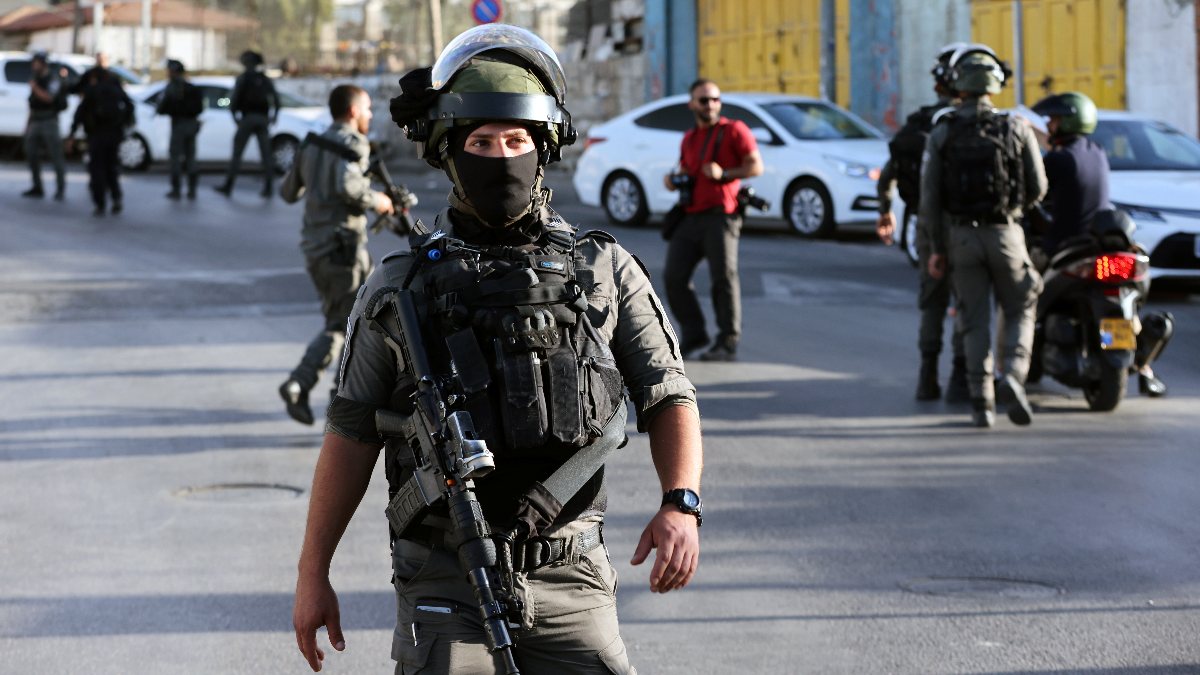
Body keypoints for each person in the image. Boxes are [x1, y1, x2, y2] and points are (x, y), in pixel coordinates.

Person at [292, 24, 702, 674]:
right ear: (450, 153)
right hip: (445, 574)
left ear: (543, 148)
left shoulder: (604, 269)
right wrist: (313, 571)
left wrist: (681, 501)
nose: (500, 156)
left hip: (572, 574)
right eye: (481, 142)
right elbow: (349, 434)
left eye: (516, 140)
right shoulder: (401, 284)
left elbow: (669, 392)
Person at [920, 44, 1047, 428]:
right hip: (1006, 233)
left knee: (973, 320)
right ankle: (1013, 375)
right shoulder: (1016, 128)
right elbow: (1039, 187)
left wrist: (937, 248)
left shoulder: (942, 131)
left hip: (960, 238)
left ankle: (982, 404)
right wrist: (1013, 212)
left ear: (957, 85)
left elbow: (930, 199)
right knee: (1022, 305)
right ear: (995, 85)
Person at [1031, 91, 1171, 397]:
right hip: (1099, 243)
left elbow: (1035, 187)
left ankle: (1010, 367)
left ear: (1066, 122)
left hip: (1064, 245)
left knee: (1021, 296)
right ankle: (1144, 366)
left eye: (1054, 120)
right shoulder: (1096, 152)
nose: (1051, 125)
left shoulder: (1057, 160)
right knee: (1127, 301)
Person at [277, 84, 394, 425]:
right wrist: (379, 200)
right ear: (353, 111)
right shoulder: (354, 143)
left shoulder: (311, 143)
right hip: (343, 249)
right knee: (347, 323)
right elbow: (349, 187)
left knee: (341, 318)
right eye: (368, 109)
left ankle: (318, 387)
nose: (371, 115)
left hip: (314, 247)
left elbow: (287, 192)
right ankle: (308, 384)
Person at [876, 44, 967, 402]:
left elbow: (889, 174)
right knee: (966, 302)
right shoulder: (968, 124)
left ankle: (927, 378)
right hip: (963, 227)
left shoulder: (916, 124)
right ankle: (962, 378)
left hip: (925, 227)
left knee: (932, 301)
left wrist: (886, 211)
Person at [662, 78, 763, 362]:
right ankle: (695, 335)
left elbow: (756, 166)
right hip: (691, 215)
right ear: (692, 104)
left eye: (716, 99)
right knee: (674, 277)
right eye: (704, 100)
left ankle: (727, 341)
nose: (711, 105)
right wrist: (672, 181)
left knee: (724, 279)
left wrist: (725, 174)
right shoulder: (689, 138)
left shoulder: (734, 131)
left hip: (722, 216)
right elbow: (685, 170)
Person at [67, 59, 134, 217]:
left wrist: (71, 134)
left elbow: (80, 112)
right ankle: (116, 197)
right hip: (114, 134)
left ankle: (100, 203)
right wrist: (123, 125)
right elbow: (130, 106)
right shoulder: (115, 88)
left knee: (97, 169)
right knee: (111, 167)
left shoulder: (93, 90)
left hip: (97, 135)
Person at [215, 50, 279, 197]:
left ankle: (228, 186)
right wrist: (274, 116)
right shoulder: (263, 79)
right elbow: (275, 98)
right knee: (266, 156)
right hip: (263, 119)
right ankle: (268, 188)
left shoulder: (243, 78)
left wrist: (235, 118)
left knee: (237, 154)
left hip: (248, 118)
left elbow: (234, 99)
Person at [22, 52, 68, 201]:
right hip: (35, 120)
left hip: (49, 120)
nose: (33, 66)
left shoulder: (52, 79)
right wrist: (28, 124)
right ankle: (37, 187)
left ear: (42, 64)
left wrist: (35, 87)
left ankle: (60, 189)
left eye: (36, 63)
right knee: (31, 154)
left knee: (56, 156)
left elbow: (49, 98)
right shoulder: (36, 78)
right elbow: (33, 104)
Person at [156, 59, 204, 200]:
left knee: (175, 158)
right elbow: (200, 108)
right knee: (191, 158)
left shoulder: (172, 87)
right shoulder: (191, 87)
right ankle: (191, 189)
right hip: (191, 125)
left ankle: (177, 189)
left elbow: (161, 107)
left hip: (179, 125)